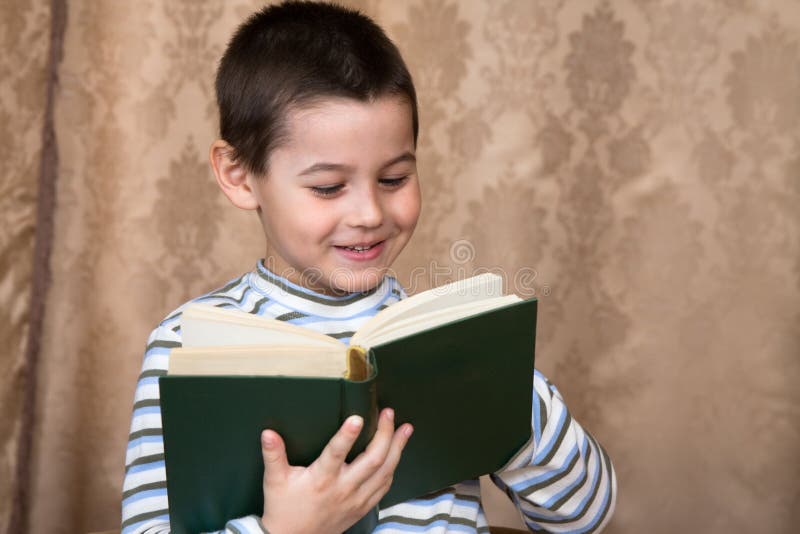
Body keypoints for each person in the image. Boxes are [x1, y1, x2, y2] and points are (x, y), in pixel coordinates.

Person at [121, 2, 617, 533]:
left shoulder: (450, 339)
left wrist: (511, 403)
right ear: (240, 175)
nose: (369, 214)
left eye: (395, 179)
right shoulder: (186, 348)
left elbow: (586, 517)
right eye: (329, 187)